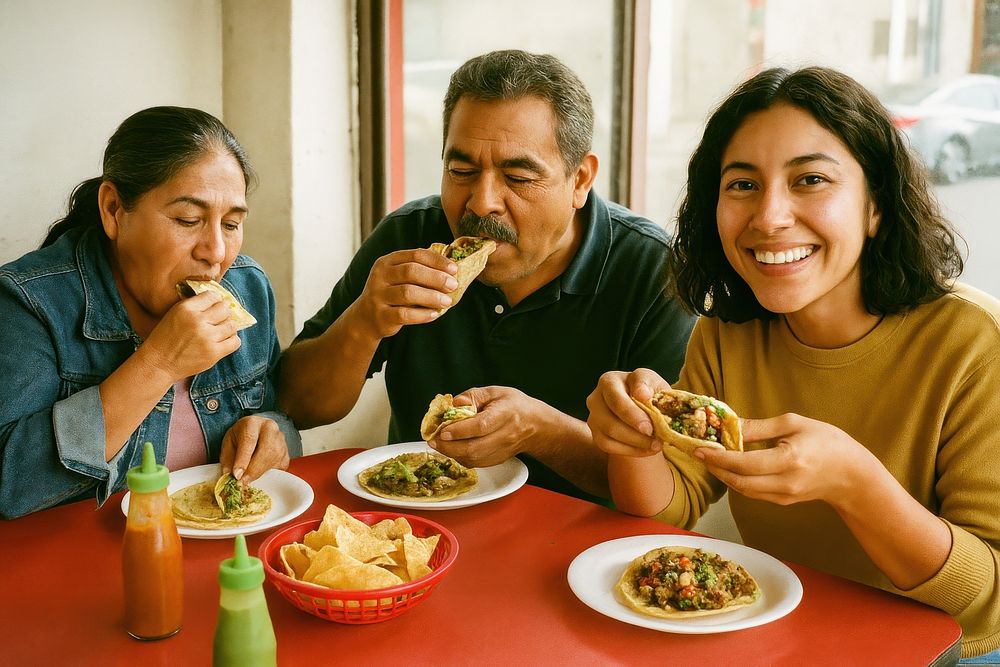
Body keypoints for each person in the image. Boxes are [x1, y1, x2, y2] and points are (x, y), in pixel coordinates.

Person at [586, 65, 1000, 658]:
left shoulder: (973, 344)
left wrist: (855, 485)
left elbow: (989, 599)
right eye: (742, 184)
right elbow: (671, 505)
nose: (770, 216)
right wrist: (632, 441)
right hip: (788, 635)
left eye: (809, 179)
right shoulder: (727, 333)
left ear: (874, 207)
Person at [279, 50, 695, 503]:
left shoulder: (654, 271)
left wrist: (540, 431)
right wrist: (362, 324)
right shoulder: (410, 235)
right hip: (418, 524)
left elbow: (666, 495)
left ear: (579, 181)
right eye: (461, 171)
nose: (481, 203)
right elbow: (297, 405)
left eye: (517, 176)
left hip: (583, 547)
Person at [0, 106, 301, 520]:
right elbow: (10, 487)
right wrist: (158, 364)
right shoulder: (26, 302)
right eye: (188, 219)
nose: (215, 253)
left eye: (230, 225)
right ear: (113, 210)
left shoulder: (246, 287)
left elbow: (271, 414)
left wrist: (271, 432)